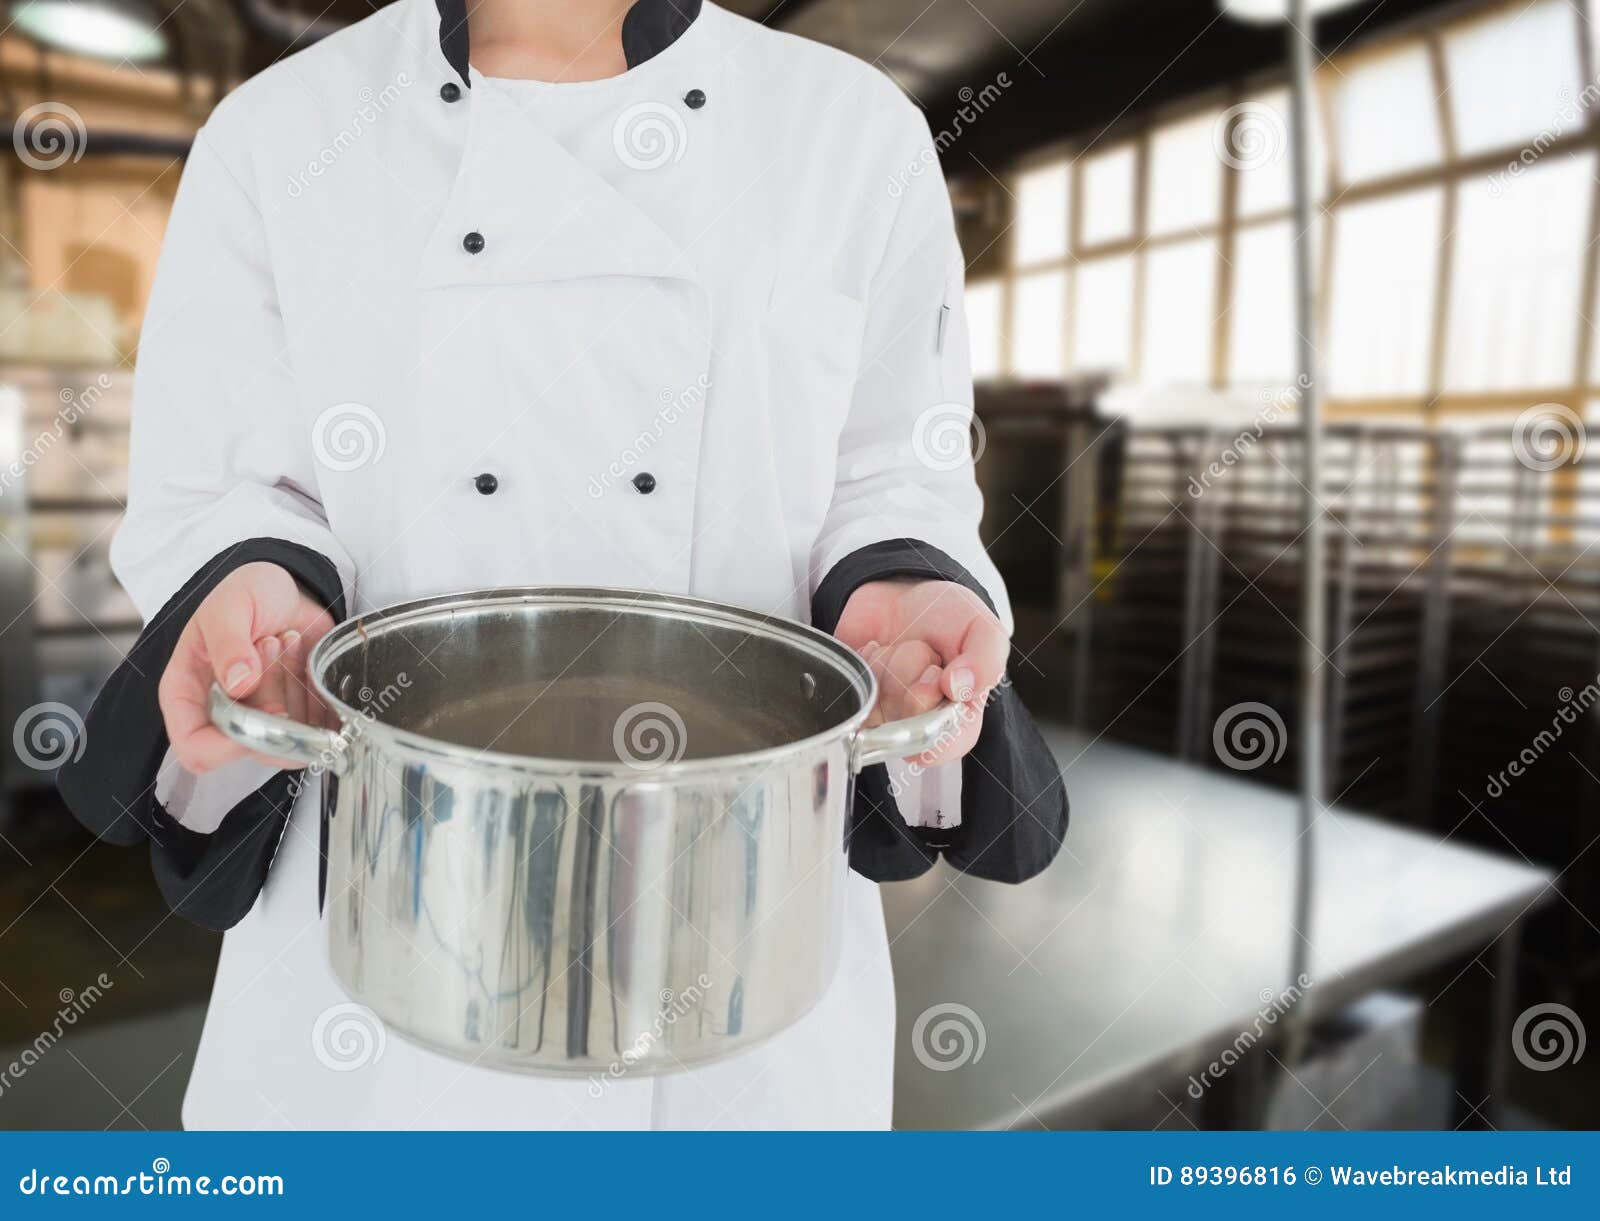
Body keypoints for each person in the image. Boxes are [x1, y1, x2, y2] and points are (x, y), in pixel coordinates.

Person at [59, 0, 1067, 1130]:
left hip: (746, 938)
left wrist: (900, 590)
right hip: (375, 937)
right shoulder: (281, 133)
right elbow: (220, 485)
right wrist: (256, 596)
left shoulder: (849, 132)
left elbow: (894, 470)